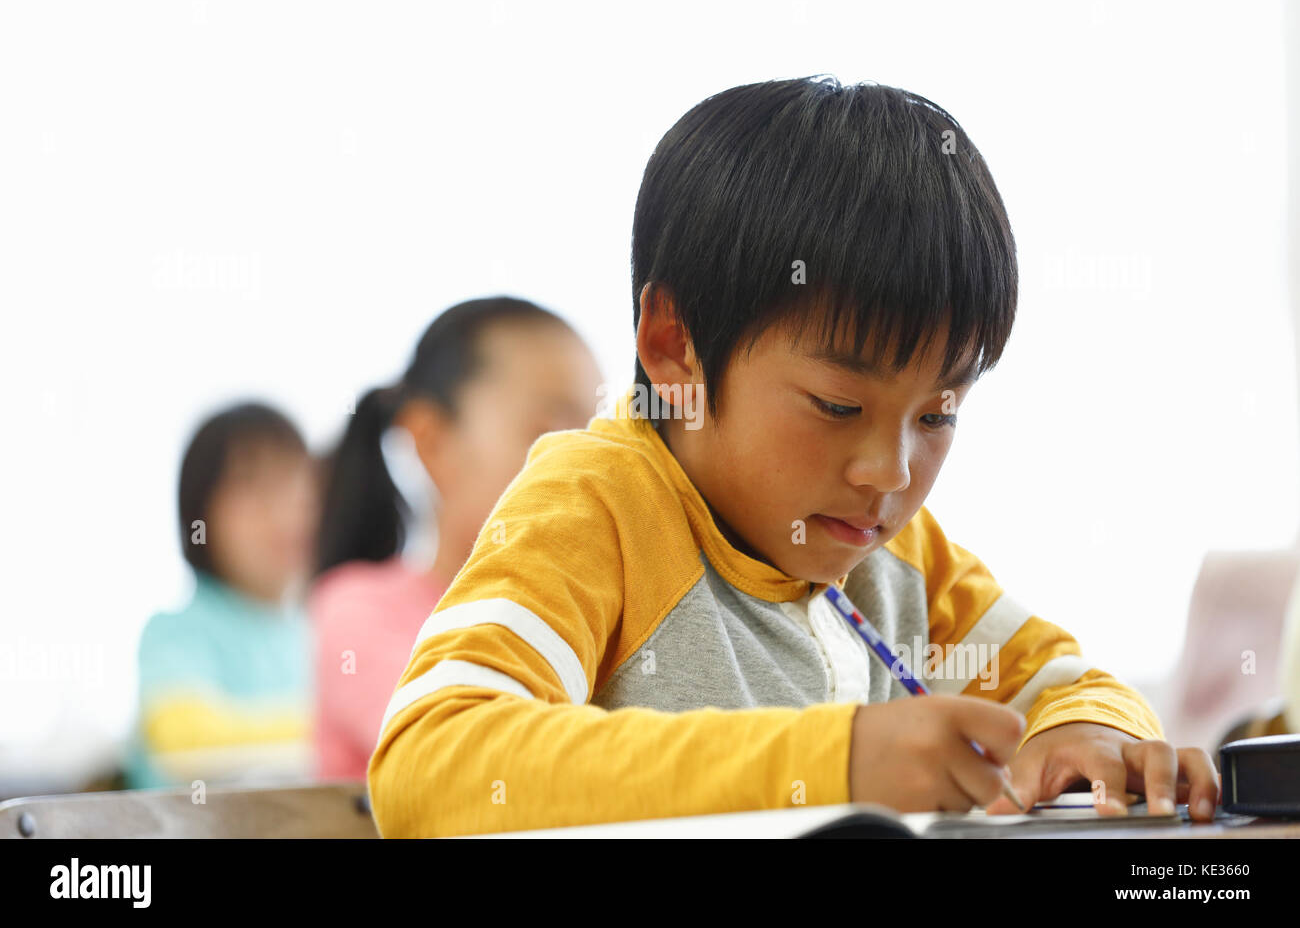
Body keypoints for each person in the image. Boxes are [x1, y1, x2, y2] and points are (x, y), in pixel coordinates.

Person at [367, 77, 1222, 837]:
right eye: (838, 405)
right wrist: (832, 762)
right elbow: (428, 761)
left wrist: (1093, 736)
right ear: (675, 347)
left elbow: (1065, 687)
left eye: (939, 415)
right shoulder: (599, 505)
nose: (889, 473)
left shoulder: (896, 562)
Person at [310, 296, 602, 781]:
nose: (587, 465)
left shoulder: (595, 611)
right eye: (550, 431)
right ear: (431, 441)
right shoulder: (357, 610)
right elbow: (465, 753)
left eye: (593, 436)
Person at [126, 402, 318, 789]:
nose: (283, 514)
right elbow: (186, 742)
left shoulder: (316, 629)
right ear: (200, 512)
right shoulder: (176, 632)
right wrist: (337, 724)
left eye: (295, 486)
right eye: (253, 487)